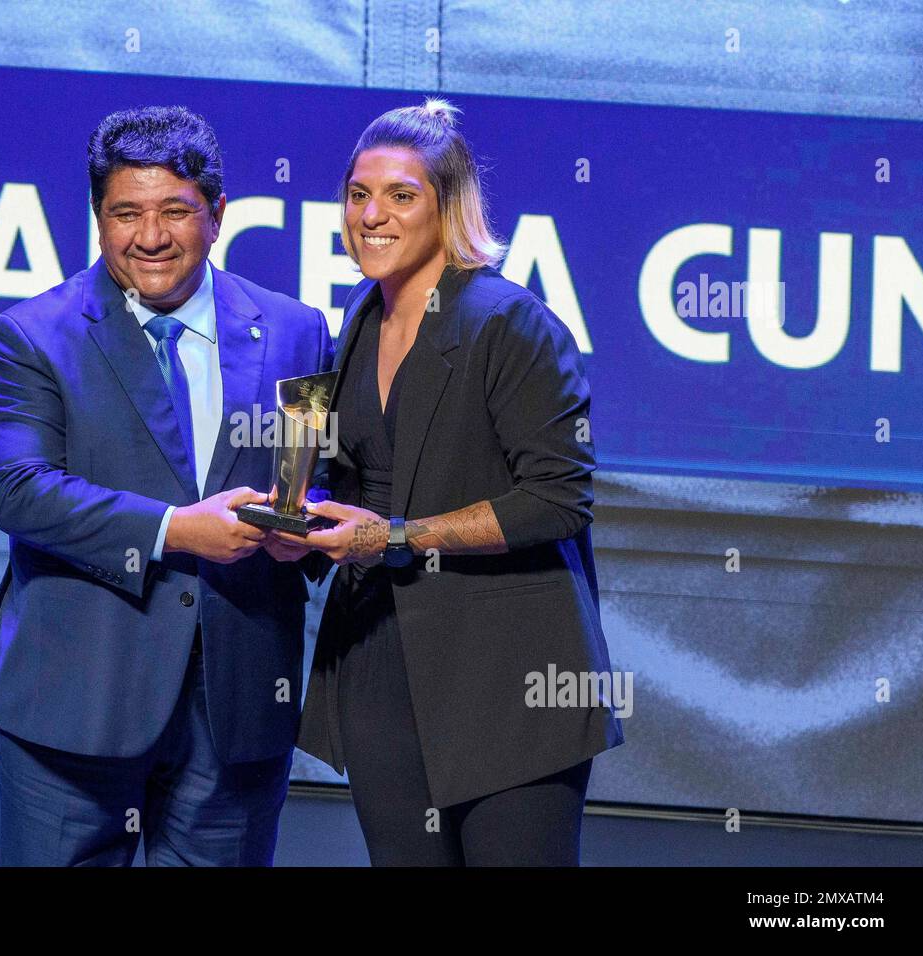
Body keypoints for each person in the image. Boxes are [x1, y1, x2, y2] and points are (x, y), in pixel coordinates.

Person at [0, 106, 332, 866]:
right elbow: (18, 489)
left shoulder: (298, 329)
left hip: (236, 706)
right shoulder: (32, 335)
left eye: (175, 211)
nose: (150, 236)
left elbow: (313, 474)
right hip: (78, 704)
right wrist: (174, 530)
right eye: (124, 213)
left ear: (218, 213)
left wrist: (309, 537)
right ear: (98, 217)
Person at [269, 98, 624, 866]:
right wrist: (297, 526)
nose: (372, 215)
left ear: (449, 205)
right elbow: (355, 479)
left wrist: (396, 537)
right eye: (359, 195)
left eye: (401, 195)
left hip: (508, 675)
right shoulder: (361, 316)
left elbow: (558, 499)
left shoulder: (510, 322)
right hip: (381, 668)